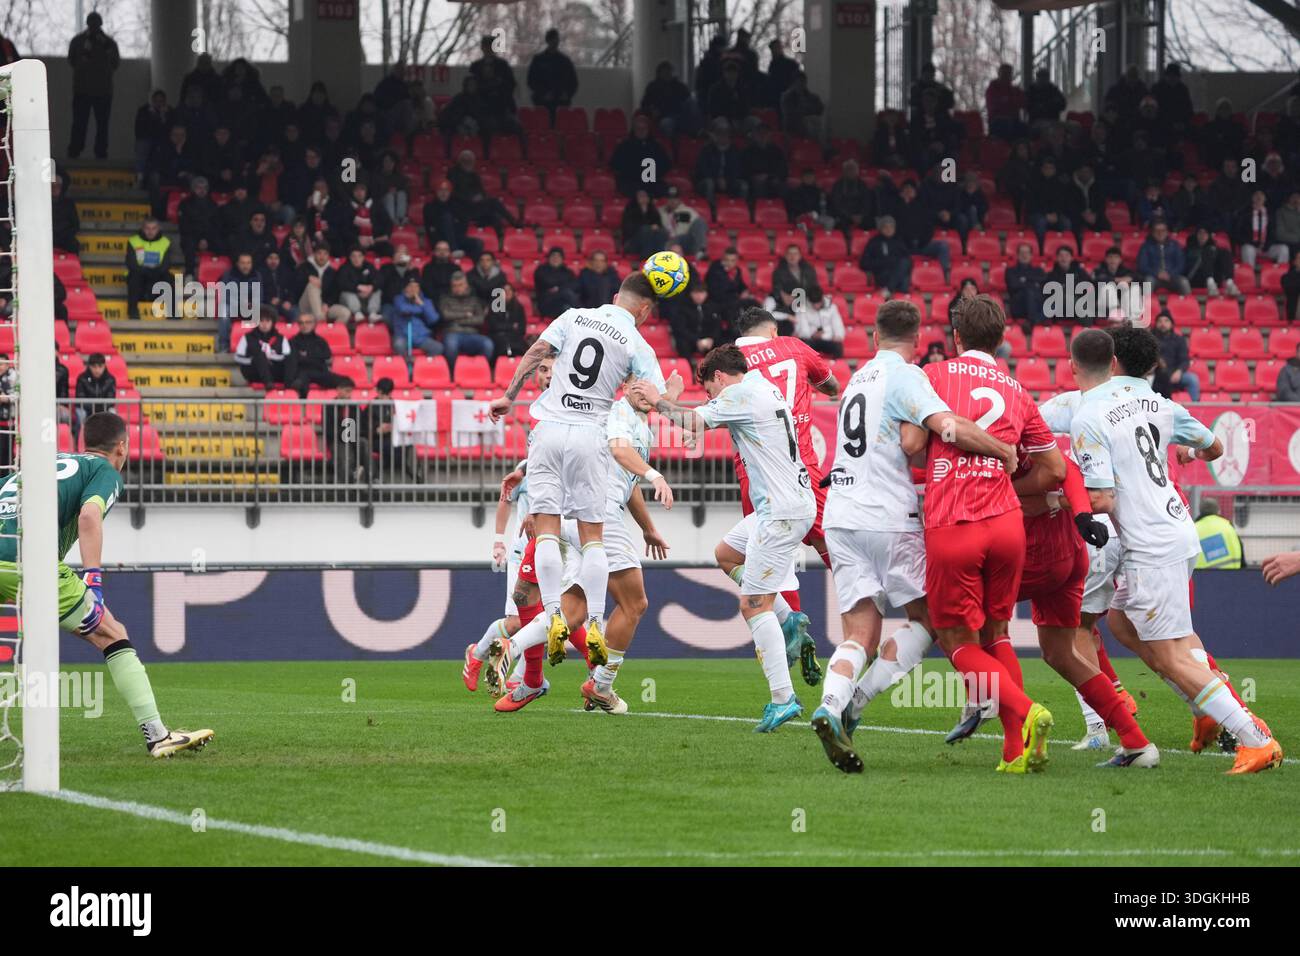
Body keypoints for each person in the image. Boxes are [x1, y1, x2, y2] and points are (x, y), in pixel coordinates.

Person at [809, 299, 1020, 771]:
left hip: (841, 515)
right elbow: (941, 428)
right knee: (934, 620)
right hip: (889, 516)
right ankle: (861, 703)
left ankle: (830, 704)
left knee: (859, 634)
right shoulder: (909, 376)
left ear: (872, 336)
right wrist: (1002, 449)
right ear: (919, 339)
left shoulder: (857, 380)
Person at [1068, 329, 1281, 774]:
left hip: (1148, 543)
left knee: (1171, 654)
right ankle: (1205, 707)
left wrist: (1061, 500)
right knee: (1123, 624)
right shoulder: (1163, 405)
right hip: (1176, 529)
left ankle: (1254, 738)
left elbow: (1103, 500)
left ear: (1111, 363)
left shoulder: (1091, 411)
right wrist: (1181, 451)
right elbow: (1216, 447)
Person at [630, 343, 820, 730]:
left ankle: (783, 698)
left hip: (781, 513)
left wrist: (658, 400)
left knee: (752, 606)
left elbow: (693, 421)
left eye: (710, 391)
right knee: (726, 554)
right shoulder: (764, 387)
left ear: (719, 376)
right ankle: (789, 619)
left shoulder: (740, 393)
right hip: (786, 505)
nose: (711, 398)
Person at [486, 272, 668, 676]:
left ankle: (553, 615)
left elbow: (537, 351)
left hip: (548, 430)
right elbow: (651, 397)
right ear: (644, 309)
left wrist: (508, 395)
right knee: (592, 537)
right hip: (591, 435)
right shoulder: (637, 343)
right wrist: (667, 400)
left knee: (548, 529)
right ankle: (598, 624)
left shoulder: (574, 316)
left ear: (615, 296)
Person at [0, 413, 213, 756]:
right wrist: (93, 579)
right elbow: (89, 516)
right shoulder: (104, 471)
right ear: (122, 447)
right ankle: (158, 735)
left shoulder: (40, 464)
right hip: (29, 559)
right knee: (112, 633)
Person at [922, 295, 1063, 773]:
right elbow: (1055, 468)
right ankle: (1015, 750)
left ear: (956, 337)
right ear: (1002, 340)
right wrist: (1007, 477)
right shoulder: (1019, 391)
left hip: (953, 519)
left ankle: (1028, 712)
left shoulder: (933, 375)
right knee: (998, 632)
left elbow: (911, 445)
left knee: (955, 639)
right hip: (1006, 523)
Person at [486, 390, 676, 714]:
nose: (646, 390)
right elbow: (619, 450)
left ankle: (510, 646)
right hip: (599, 520)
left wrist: (647, 527)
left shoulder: (636, 424)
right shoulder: (615, 413)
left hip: (575, 520)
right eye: (638, 379)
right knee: (635, 603)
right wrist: (654, 474)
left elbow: (627, 485)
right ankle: (601, 685)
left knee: (572, 609)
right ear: (625, 381)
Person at [725, 306, 840, 651]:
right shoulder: (794, 347)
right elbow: (832, 387)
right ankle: (862, 608)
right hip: (803, 467)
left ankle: (791, 625)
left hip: (756, 472)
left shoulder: (730, 362)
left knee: (769, 555)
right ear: (773, 331)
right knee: (829, 543)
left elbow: (716, 410)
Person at [66, 11, 120, 160]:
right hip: (83, 90)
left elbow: (115, 63)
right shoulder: (79, 41)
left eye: (96, 23)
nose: (94, 26)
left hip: (102, 91)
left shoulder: (108, 43)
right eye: (92, 23)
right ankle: (75, 151)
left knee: (102, 125)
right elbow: (72, 60)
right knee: (79, 124)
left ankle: (100, 153)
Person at [609, 113, 673, 199]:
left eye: (644, 128)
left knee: (672, 193)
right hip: (630, 182)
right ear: (634, 129)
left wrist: (653, 173)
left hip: (652, 181)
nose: (641, 131)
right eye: (638, 128)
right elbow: (615, 166)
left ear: (648, 129)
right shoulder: (624, 146)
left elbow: (666, 165)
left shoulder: (656, 146)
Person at [439, 270, 493, 369]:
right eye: (455, 285)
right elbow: (446, 316)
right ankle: (453, 373)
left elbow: (480, 320)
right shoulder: (445, 299)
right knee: (451, 345)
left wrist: (457, 319)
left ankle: (477, 370)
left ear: (466, 285)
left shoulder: (474, 300)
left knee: (487, 344)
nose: (458, 288)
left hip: (472, 334)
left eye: (460, 285)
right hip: (453, 333)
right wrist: (466, 315)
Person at [286, 313, 349, 397]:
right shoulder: (292, 341)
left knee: (347, 381)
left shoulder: (320, 340)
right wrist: (314, 356)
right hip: (301, 373)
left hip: (319, 372)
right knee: (300, 382)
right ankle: (304, 406)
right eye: (301, 323)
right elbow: (294, 359)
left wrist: (307, 355)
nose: (304, 325)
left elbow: (327, 355)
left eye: (307, 322)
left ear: (314, 324)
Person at [234, 307, 294, 389]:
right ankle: (268, 383)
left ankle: (288, 387)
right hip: (255, 372)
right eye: (261, 321)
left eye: (268, 321)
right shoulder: (247, 337)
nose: (264, 324)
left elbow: (287, 357)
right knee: (259, 355)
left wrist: (271, 356)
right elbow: (237, 357)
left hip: (275, 372)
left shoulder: (281, 338)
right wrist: (252, 360)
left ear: (272, 323)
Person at [124, 217, 172, 319]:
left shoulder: (165, 242)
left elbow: (166, 264)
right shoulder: (133, 241)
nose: (150, 232)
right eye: (147, 228)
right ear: (142, 228)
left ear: (158, 228)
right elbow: (131, 263)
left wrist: (153, 271)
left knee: (169, 277)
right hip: (140, 277)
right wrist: (147, 271)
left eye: (153, 228)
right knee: (134, 276)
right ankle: (132, 310)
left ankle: (172, 311)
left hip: (157, 277)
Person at [526, 29, 577, 123]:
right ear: (548, 40)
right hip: (542, 102)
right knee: (542, 126)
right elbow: (531, 81)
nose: (555, 42)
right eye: (553, 39)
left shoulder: (565, 61)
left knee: (561, 127)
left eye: (556, 39)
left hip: (561, 102)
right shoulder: (539, 60)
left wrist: (567, 94)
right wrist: (542, 94)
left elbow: (573, 82)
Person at [693, 119, 748, 203]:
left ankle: (739, 209)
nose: (723, 136)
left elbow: (738, 169)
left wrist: (727, 180)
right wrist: (717, 179)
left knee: (743, 185)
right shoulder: (707, 150)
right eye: (720, 133)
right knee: (709, 183)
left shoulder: (735, 150)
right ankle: (711, 210)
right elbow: (703, 170)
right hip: (709, 181)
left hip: (728, 181)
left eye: (726, 133)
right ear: (716, 135)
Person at [296, 242, 350, 325]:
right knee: (312, 285)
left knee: (345, 313)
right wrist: (307, 279)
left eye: (325, 254)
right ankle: (320, 320)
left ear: (328, 256)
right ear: (314, 254)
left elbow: (335, 292)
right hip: (306, 306)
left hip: (323, 306)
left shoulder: (332, 272)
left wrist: (327, 304)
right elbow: (295, 287)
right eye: (319, 253)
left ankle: (331, 334)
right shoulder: (304, 267)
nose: (322, 256)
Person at [1152, 310, 1201, 401]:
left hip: (1174, 374)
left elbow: (1185, 360)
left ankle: (1197, 408)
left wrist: (1179, 371)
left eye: (1166, 321)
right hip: (1156, 375)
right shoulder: (1151, 338)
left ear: (1171, 324)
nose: (1163, 324)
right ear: (1156, 324)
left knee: (1192, 379)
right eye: (1160, 321)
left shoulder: (1179, 340)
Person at [664, 282, 722, 358]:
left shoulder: (712, 307)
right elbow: (681, 329)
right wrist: (696, 341)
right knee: (682, 343)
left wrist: (711, 339)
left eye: (701, 293)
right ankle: (689, 366)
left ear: (706, 294)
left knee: (722, 344)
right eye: (696, 293)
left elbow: (716, 326)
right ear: (691, 294)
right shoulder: (683, 308)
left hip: (707, 340)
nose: (699, 296)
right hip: (691, 340)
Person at [390, 275, 442, 359]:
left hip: (421, 336)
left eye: (416, 286)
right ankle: (406, 368)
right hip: (402, 335)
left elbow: (433, 319)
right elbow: (404, 309)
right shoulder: (399, 298)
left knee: (438, 347)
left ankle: (422, 368)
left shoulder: (426, 301)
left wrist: (422, 304)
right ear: (405, 288)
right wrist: (421, 309)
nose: (413, 289)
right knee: (398, 345)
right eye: (410, 286)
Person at [1235, 190, 1289, 267]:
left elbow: (1273, 232)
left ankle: (1280, 274)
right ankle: (1250, 275)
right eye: (1256, 195)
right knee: (1248, 249)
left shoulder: (1270, 213)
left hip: (1267, 247)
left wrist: (1266, 245)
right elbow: (1238, 233)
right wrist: (1252, 243)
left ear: (1265, 198)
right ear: (1252, 198)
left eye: (1261, 195)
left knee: (1284, 249)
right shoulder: (1244, 213)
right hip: (1251, 245)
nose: (1259, 197)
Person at [859, 216, 911, 294]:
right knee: (903, 281)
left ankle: (888, 290)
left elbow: (908, 261)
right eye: (886, 227)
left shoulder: (899, 241)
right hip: (882, 274)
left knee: (905, 266)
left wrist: (895, 263)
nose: (889, 230)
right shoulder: (874, 242)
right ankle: (890, 291)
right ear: (881, 228)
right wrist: (884, 262)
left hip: (898, 274)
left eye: (891, 227)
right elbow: (864, 263)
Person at [1137, 219, 1190, 295]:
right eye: (1157, 231)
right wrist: (1157, 274)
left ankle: (1187, 306)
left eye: (1163, 230)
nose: (1160, 233)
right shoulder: (1146, 246)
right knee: (1148, 282)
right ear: (1152, 232)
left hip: (1172, 277)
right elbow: (1142, 266)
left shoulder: (1175, 245)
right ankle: (1146, 305)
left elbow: (1181, 265)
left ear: (1167, 232)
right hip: (1154, 277)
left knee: (1184, 281)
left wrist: (1170, 274)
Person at [704, 246, 748, 329]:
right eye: (727, 260)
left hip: (733, 302)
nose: (730, 263)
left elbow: (740, 285)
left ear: (737, 261)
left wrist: (744, 290)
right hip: (717, 302)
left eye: (733, 260)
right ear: (723, 259)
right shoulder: (715, 269)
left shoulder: (737, 271)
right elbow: (714, 291)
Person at [792, 290, 845, 358]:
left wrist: (838, 336)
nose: (816, 306)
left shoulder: (832, 308)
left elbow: (838, 325)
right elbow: (802, 329)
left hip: (829, 339)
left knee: (838, 347)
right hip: (811, 340)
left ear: (822, 299)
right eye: (814, 304)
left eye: (818, 303)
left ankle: (835, 366)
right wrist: (812, 335)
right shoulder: (802, 308)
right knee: (804, 346)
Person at [336, 247, 383, 324]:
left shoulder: (369, 266)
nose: (356, 259)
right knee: (346, 293)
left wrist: (371, 287)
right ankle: (357, 314)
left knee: (377, 290)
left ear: (363, 257)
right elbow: (341, 283)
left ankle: (372, 314)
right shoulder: (344, 268)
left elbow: (379, 279)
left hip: (366, 301)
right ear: (350, 257)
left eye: (359, 256)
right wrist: (357, 288)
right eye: (353, 256)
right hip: (349, 303)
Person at [1194, 498, 1243, 570]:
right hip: (1232, 576)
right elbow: (1241, 550)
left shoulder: (1194, 529)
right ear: (1218, 511)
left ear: (1200, 511)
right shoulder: (1228, 526)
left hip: (1201, 577)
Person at [658, 187, 708, 256]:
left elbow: (700, 226)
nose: (672, 201)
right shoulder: (659, 211)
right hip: (664, 241)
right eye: (670, 198)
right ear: (666, 199)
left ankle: (700, 252)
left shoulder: (688, 211)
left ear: (679, 199)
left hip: (684, 242)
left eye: (675, 198)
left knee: (699, 222)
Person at [533, 247, 581, 318]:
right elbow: (548, 282)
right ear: (548, 258)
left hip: (564, 303)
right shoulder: (541, 270)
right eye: (553, 256)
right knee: (567, 293)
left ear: (562, 259)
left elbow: (576, 285)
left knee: (567, 308)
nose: (556, 258)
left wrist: (558, 288)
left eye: (559, 256)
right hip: (547, 304)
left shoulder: (568, 272)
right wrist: (564, 286)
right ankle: (581, 313)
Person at [621, 188, 669, 257]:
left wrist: (655, 228)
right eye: (641, 196)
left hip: (652, 240)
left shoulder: (653, 210)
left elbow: (658, 224)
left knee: (662, 232)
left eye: (645, 196)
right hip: (633, 242)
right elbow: (628, 228)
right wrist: (648, 228)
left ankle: (660, 257)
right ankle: (646, 258)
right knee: (645, 230)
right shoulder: (630, 209)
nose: (643, 198)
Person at [487, 282, 528, 359]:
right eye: (504, 291)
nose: (507, 293)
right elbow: (493, 326)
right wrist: (512, 326)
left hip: (515, 337)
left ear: (513, 293)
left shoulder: (519, 308)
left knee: (521, 346)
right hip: (498, 337)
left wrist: (505, 327)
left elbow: (522, 328)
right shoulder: (494, 307)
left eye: (509, 290)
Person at [985, 63, 1025, 141]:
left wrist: (1007, 101)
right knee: (1007, 127)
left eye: (1009, 74)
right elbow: (993, 107)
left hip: (1014, 121)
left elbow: (1023, 103)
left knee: (1025, 128)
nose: (1006, 76)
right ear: (999, 74)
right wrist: (1010, 103)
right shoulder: (992, 89)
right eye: (1004, 74)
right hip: (997, 121)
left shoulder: (1015, 90)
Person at [780, 72, 824, 139]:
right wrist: (806, 110)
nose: (801, 84)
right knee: (809, 122)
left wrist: (805, 110)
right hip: (793, 126)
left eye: (803, 82)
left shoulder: (811, 96)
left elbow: (820, 108)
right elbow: (790, 113)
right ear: (794, 83)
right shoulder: (787, 97)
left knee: (814, 120)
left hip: (810, 123)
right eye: (799, 82)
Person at [51, 173, 82, 254]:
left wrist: (65, 234)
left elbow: (75, 225)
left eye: (58, 185)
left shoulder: (69, 204)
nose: (55, 188)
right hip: (48, 236)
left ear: (61, 187)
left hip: (64, 237)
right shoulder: (43, 203)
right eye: (52, 185)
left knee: (74, 245)